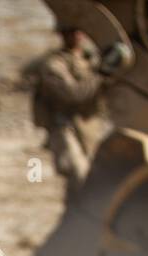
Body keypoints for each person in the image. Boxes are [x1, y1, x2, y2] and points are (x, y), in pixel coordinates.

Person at [32, 23, 105, 201]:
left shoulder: (89, 60)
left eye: (78, 31)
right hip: (64, 127)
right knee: (78, 177)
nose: (76, 36)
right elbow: (73, 93)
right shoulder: (54, 64)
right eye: (71, 32)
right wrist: (101, 75)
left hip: (89, 127)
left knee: (94, 179)